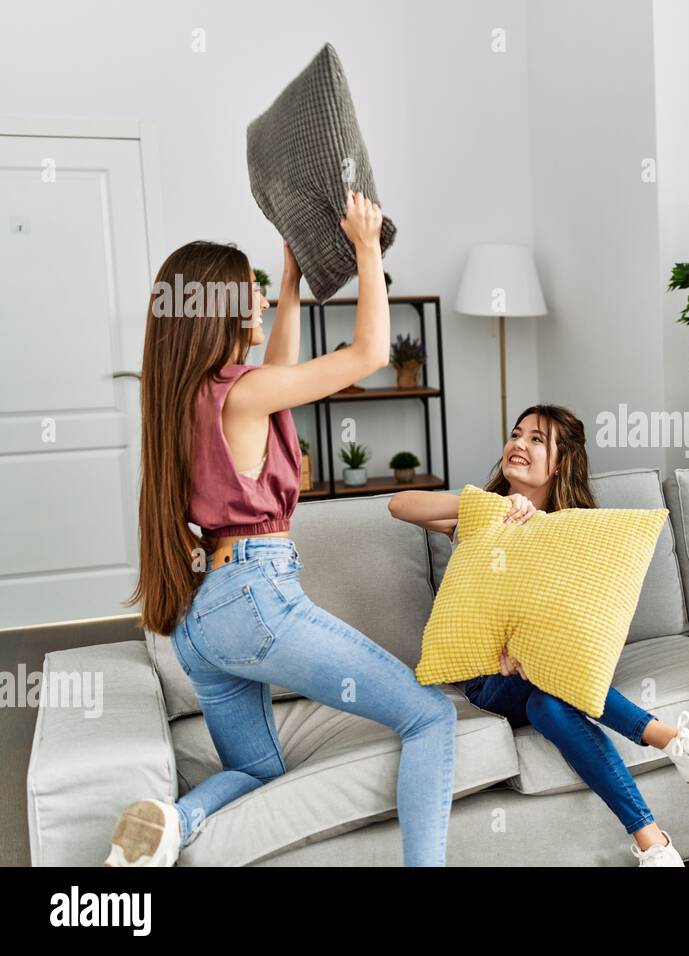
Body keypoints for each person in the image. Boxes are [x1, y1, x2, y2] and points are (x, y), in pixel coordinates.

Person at [111, 192, 457, 866]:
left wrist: (294, 282)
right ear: (219, 311)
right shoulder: (239, 394)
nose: (262, 303)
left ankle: (173, 824)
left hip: (202, 621)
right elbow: (367, 354)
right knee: (431, 716)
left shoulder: (189, 399)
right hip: (255, 597)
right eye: (253, 294)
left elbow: (280, 372)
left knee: (257, 770)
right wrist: (365, 249)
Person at [390, 404, 689, 867]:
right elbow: (400, 505)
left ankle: (653, 843)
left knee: (548, 702)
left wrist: (539, 646)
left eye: (537, 439)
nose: (519, 444)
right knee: (543, 689)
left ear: (561, 461)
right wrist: (495, 504)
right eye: (516, 434)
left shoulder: (579, 527)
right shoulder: (483, 516)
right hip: (493, 682)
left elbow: (589, 618)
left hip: (552, 677)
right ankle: (676, 742)